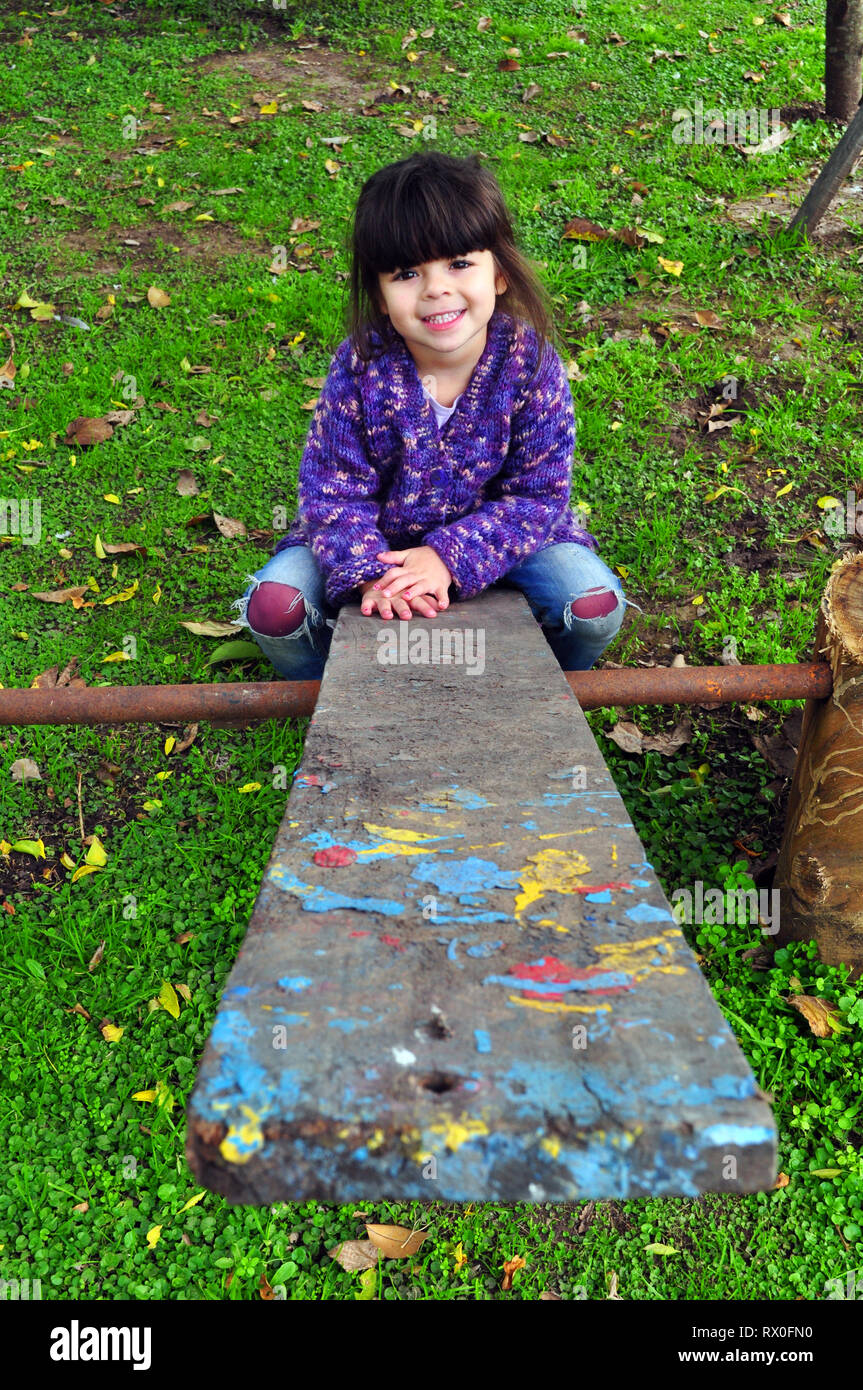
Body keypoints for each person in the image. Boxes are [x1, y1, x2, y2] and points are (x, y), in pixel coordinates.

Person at [232, 150, 633, 680]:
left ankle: (538, 685)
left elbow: (536, 498)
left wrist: (448, 557)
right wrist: (371, 572)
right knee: (273, 607)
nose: (436, 288)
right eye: (406, 273)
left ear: (500, 274)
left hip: (503, 539)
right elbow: (332, 494)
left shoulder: (530, 364)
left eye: (459, 264)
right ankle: (331, 688)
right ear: (379, 295)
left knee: (592, 606)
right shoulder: (360, 366)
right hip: (377, 544)